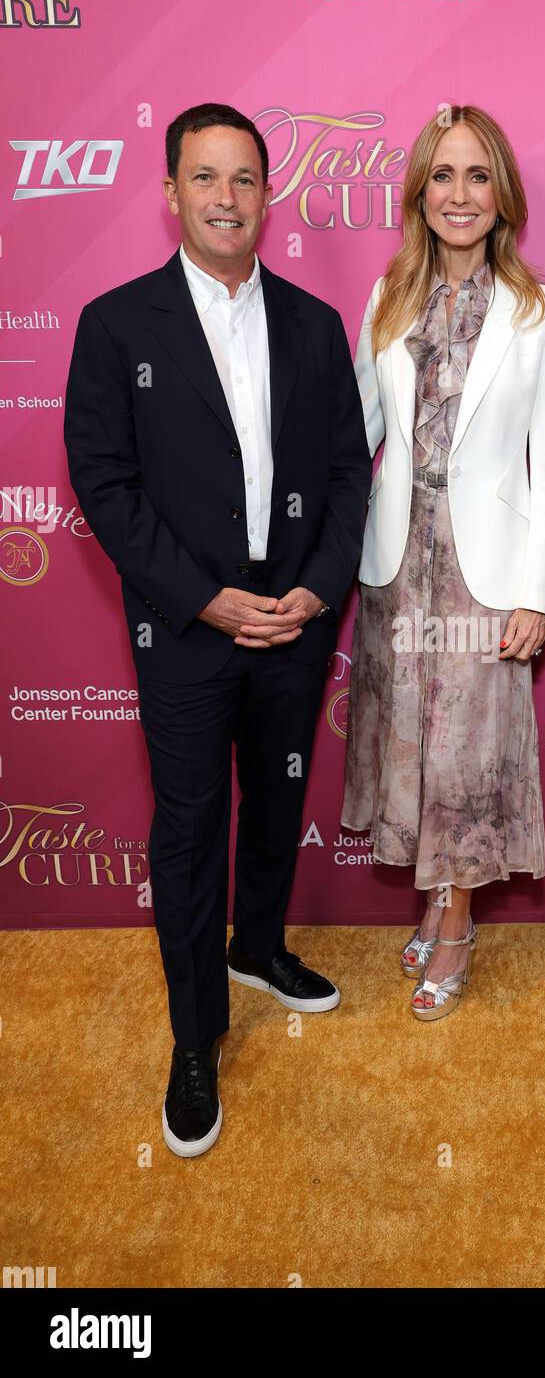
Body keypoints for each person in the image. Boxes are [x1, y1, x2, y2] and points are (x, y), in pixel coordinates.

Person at [64, 103, 370, 1157]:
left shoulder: (316, 326)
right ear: (170, 191)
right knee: (191, 829)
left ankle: (262, 947)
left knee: (280, 799)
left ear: (267, 195)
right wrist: (200, 597)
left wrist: (319, 589)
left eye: (244, 179)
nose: (226, 198)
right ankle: (196, 1038)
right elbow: (104, 487)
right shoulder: (115, 326)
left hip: (291, 616)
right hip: (187, 625)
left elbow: (345, 475)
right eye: (205, 178)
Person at [341, 105, 545, 1020]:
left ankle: (456, 925)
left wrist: (537, 593)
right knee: (414, 744)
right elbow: (357, 436)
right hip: (397, 564)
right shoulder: (386, 297)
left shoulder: (542, 308)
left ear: (503, 193)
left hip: (486, 570)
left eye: (478, 176)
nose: (460, 195)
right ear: (419, 193)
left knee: (470, 755)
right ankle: (436, 894)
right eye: (443, 176)